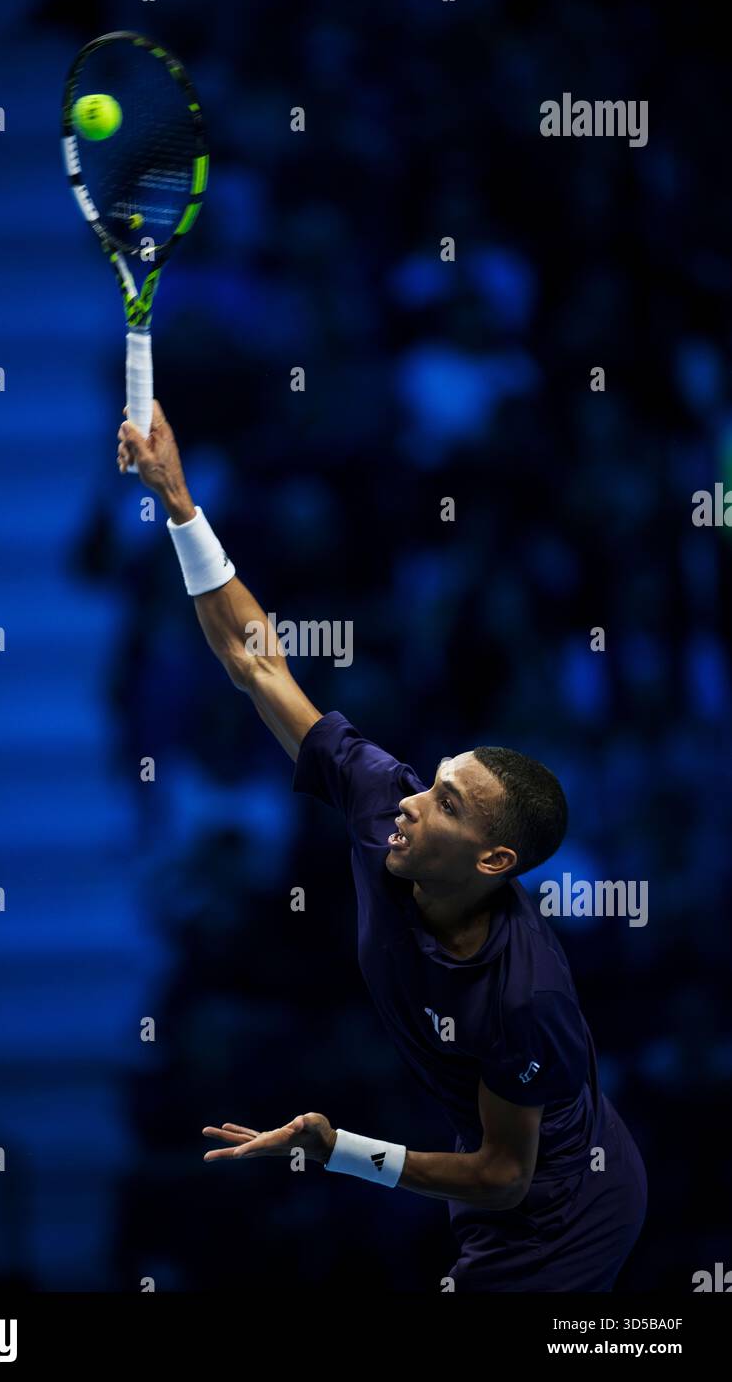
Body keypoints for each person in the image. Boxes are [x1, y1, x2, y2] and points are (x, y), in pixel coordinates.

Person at [117, 402, 648, 1291]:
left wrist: (340, 1151)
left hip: (564, 1210)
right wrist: (179, 502)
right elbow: (258, 663)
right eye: (430, 782)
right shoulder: (380, 802)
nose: (412, 806)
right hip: (490, 1184)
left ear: (492, 862)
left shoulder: (526, 994)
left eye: (444, 804)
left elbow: (504, 1173)